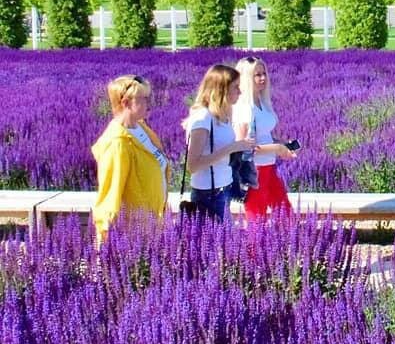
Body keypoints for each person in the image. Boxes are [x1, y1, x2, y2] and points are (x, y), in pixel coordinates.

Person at [91, 75, 170, 242]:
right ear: (126, 103)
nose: (151, 102)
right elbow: (110, 194)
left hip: (153, 224)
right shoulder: (118, 143)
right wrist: (105, 242)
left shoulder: (141, 128)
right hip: (133, 234)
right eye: (145, 98)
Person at [183, 64, 256, 222]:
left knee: (224, 243)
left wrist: (240, 147)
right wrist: (232, 148)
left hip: (224, 188)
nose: (240, 91)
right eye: (235, 87)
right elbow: (192, 165)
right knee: (214, 244)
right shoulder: (202, 118)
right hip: (209, 194)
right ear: (221, 90)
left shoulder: (223, 115)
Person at [233, 56, 297, 219]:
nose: (262, 78)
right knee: (257, 219)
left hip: (269, 167)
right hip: (255, 171)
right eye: (257, 75)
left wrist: (283, 146)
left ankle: (290, 245)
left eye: (264, 73)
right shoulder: (244, 107)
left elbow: (263, 136)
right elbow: (242, 147)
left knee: (285, 214)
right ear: (246, 78)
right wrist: (277, 148)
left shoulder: (262, 102)